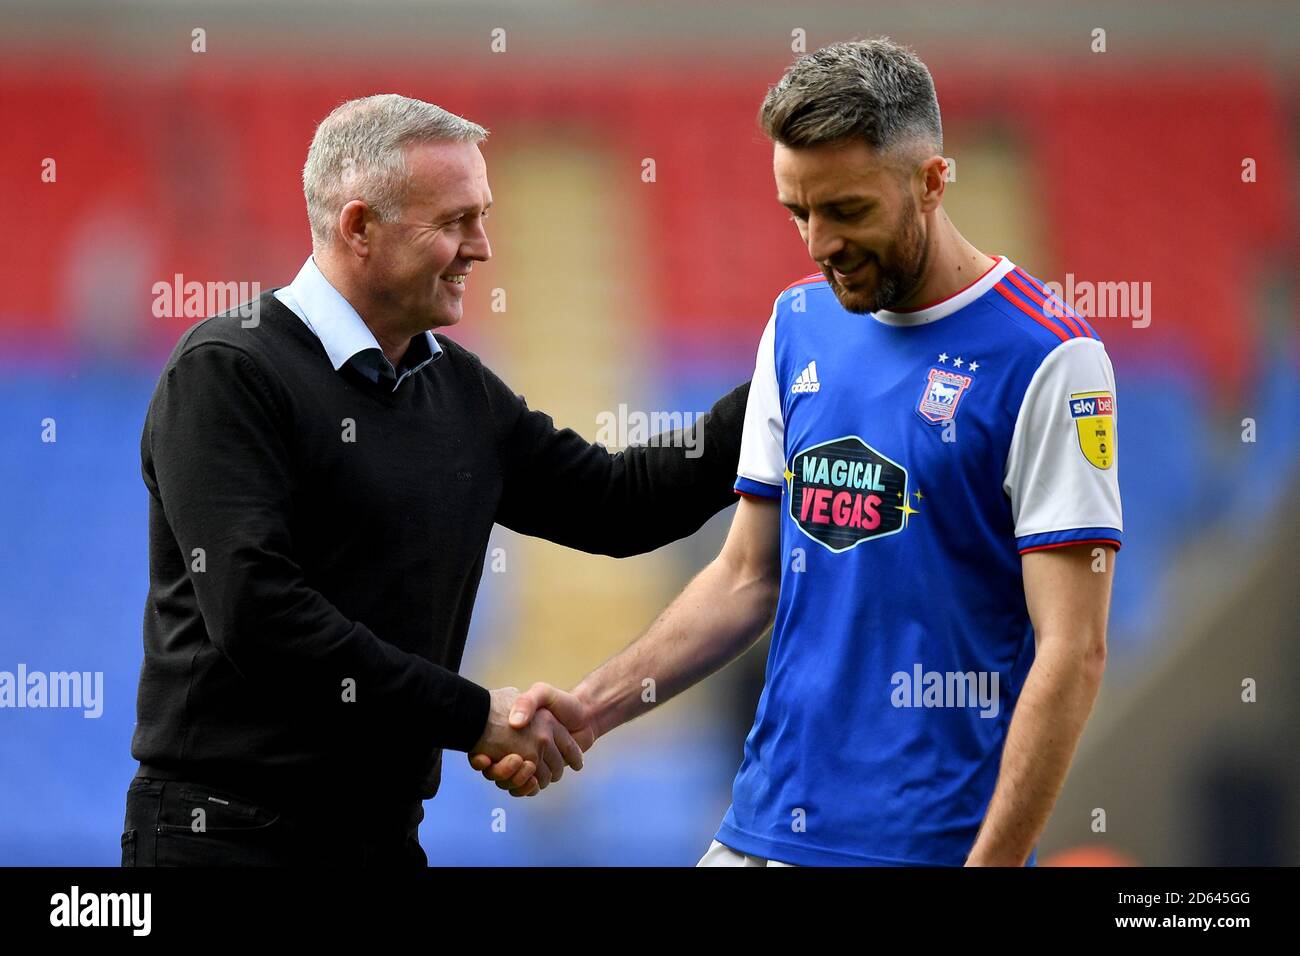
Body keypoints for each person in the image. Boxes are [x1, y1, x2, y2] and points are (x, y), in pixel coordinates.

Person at [474, 38, 1123, 868]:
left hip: (918, 848)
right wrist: (588, 711)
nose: (820, 243)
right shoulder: (798, 325)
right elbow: (749, 575)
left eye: (847, 211)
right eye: (798, 213)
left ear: (931, 181)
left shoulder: (1050, 361)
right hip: (759, 826)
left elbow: (1073, 650)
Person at [122, 94, 749, 866]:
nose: (481, 247)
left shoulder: (457, 389)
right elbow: (260, 614)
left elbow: (617, 505)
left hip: (384, 837)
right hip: (226, 837)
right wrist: (473, 715)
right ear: (358, 227)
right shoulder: (229, 373)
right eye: (453, 221)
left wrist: (788, 386)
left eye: (481, 216)